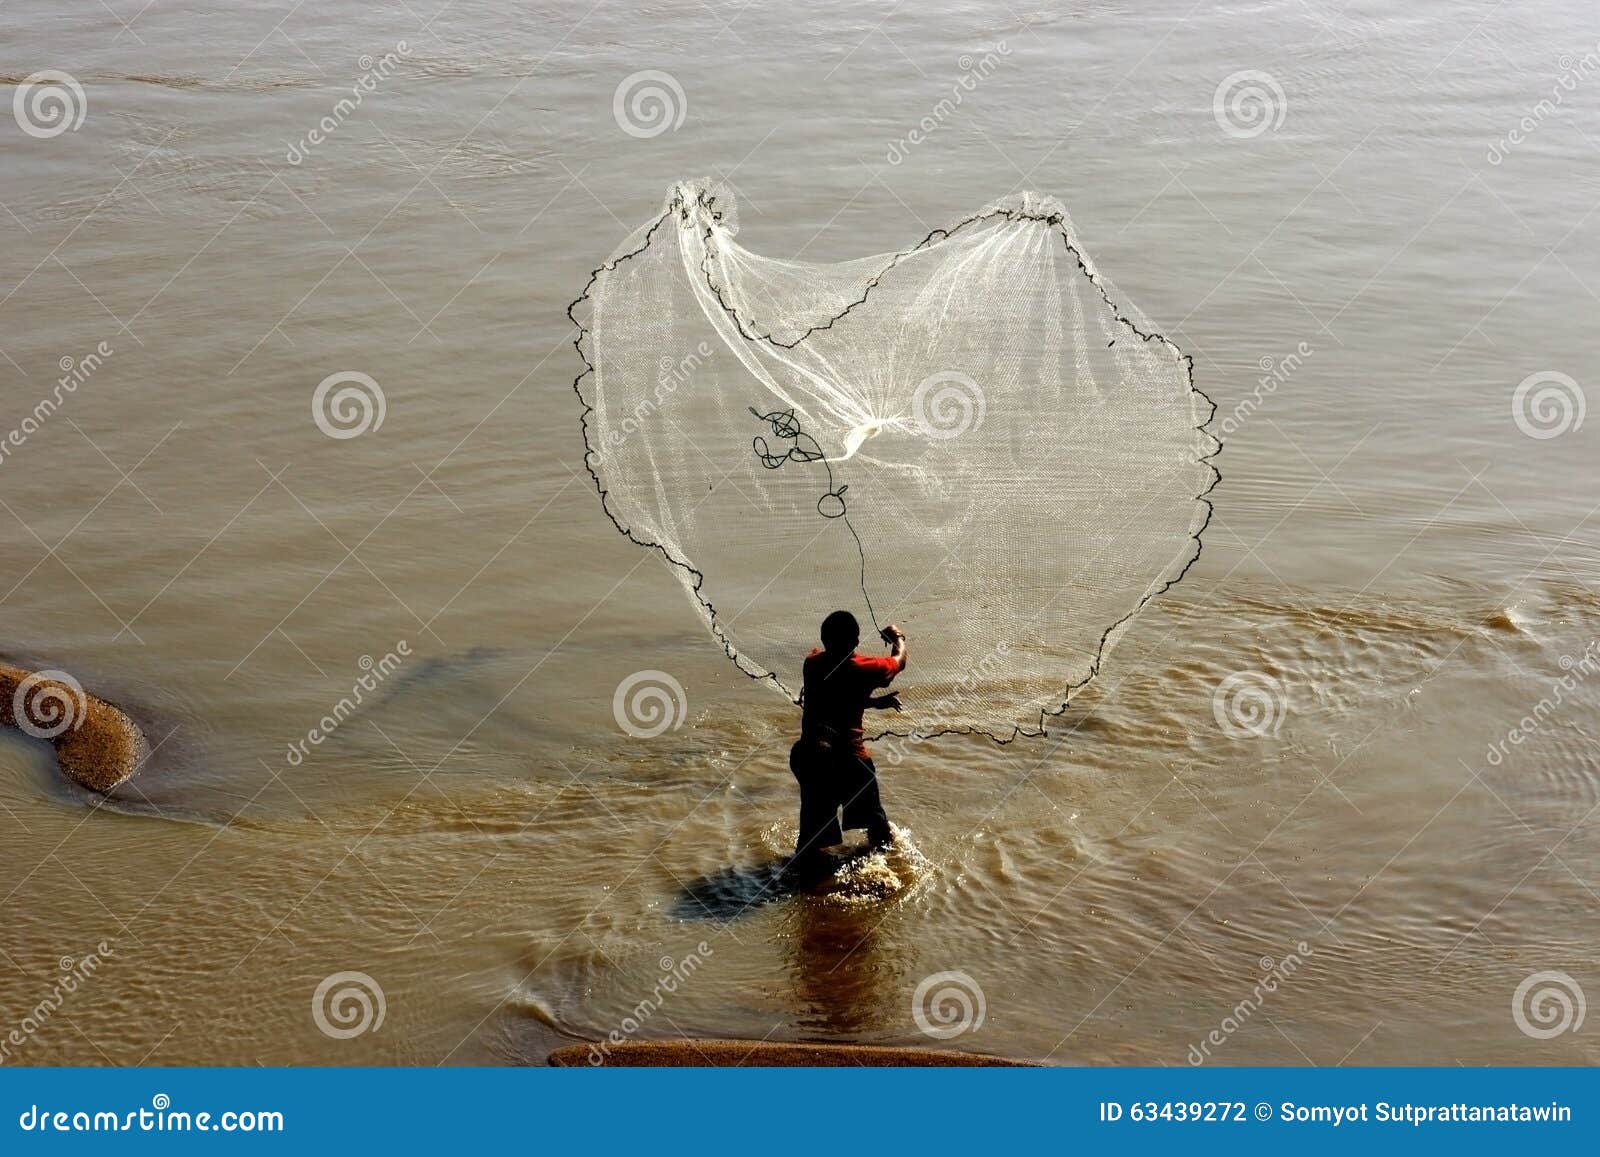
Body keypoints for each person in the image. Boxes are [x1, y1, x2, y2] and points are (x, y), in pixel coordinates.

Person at [788, 610, 907, 876]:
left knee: (811, 840)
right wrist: (898, 636)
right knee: (878, 831)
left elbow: (836, 696)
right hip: (849, 763)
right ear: (855, 641)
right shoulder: (864, 668)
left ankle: (806, 884)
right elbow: (898, 662)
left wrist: (874, 703)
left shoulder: (812, 663)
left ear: (824, 639)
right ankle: (884, 869)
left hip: (811, 759)